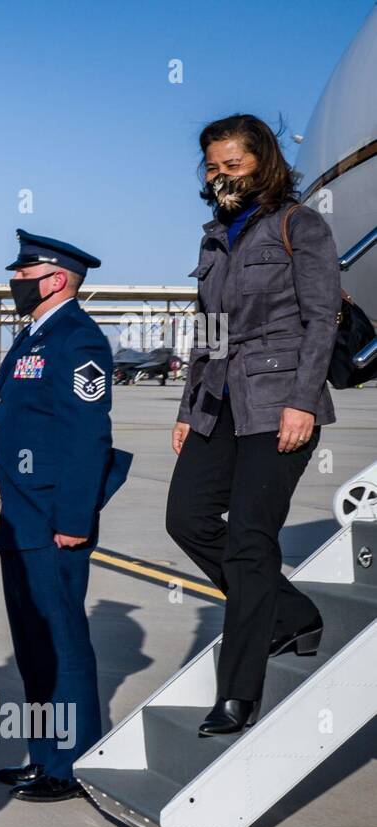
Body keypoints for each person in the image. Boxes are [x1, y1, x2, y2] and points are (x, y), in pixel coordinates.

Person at [166, 114, 341, 735]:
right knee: (185, 517)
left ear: (263, 162)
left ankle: (238, 693)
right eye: (212, 166)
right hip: (218, 403)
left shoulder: (300, 225)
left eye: (231, 164)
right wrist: (189, 410)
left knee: (248, 540)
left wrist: (301, 399)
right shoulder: (214, 236)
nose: (220, 175)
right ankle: (291, 613)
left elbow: (322, 320)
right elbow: (207, 333)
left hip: (278, 402)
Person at [0, 230, 130, 802]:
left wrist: (75, 518)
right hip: (18, 517)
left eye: (23, 272)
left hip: (54, 519)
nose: (14, 280)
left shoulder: (78, 341)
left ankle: (74, 763)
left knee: (61, 643)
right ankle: (43, 756)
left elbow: (89, 436)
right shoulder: (33, 337)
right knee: (34, 643)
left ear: (56, 279)